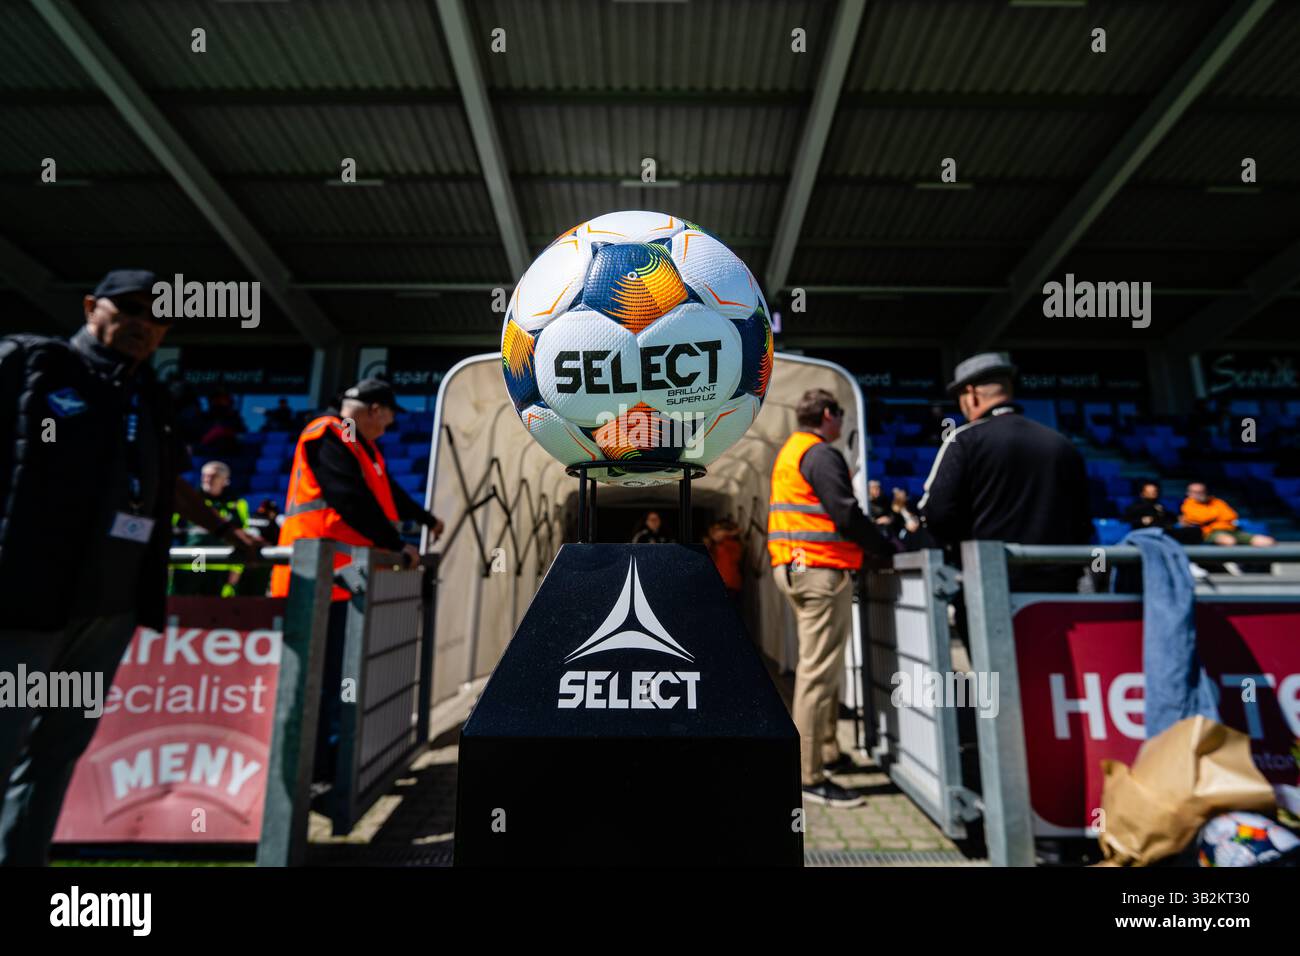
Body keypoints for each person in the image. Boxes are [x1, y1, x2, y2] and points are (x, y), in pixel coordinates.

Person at [0, 269, 262, 865]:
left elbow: (167, 482)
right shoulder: (34, 364)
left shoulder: (151, 397)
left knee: (55, 754)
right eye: (131, 308)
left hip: (109, 611)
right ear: (93, 306)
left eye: (158, 315)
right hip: (27, 603)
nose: (144, 323)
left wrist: (226, 530)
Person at [268, 378, 444, 782]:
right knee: (324, 683)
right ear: (374, 410)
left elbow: (386, 493)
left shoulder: (362, 446)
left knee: (341, 679)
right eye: (388, 419)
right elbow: (347, 496)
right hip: (318, 579)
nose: (388, 428)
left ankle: (334, 767)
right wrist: (395, 544)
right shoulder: (327, 432)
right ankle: (318, 774)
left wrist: (424, 519)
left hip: (345, 581)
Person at [768, 388, 894, 808]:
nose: (841, 424)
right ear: (827, 415)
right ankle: (808, 775)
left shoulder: (792, 450)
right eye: (839, 416)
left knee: (819, 666)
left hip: (797, 568)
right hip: (820, 571)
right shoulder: (821, 454)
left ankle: (825, 751)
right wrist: (883, 546)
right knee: (818, 672)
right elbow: (845, 513)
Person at [918, 352, 1091, 592]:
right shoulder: (1062, 444)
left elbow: (936, 514)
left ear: (971, 394)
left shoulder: (964, 440)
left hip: (990, 587)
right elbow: (1083, 522)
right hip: (1058, 588)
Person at [171, 461, 252, 597]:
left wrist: (236, 569)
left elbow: (243, 535)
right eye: (205, 476)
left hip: (222, 565)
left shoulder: (238, 504)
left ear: (225, 480)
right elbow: (173, 532)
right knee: (188, 609)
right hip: (193, 562)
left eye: (213, 476)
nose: (207, 479)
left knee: (216, 611)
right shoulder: (190, 501)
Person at [1180, 482, 1274, 547]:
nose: (1200, 494)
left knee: (1267, 541)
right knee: (1229, 541)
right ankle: (1236, 565)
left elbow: (1231, 515)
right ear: (1189, 493)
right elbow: (1201, 518)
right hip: (1210, 532)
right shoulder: (1187, 504)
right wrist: (1217, 514)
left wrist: (1212, 516)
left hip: (1232, 530)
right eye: (1196, 492)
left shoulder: (1217, 501)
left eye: (1202, 491)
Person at [704, 520, 744, 603]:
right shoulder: (719, 544)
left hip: (729, 584)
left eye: (717, 529)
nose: (713, 532)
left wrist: (731, 533)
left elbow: (717, 536)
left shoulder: (729, 543)